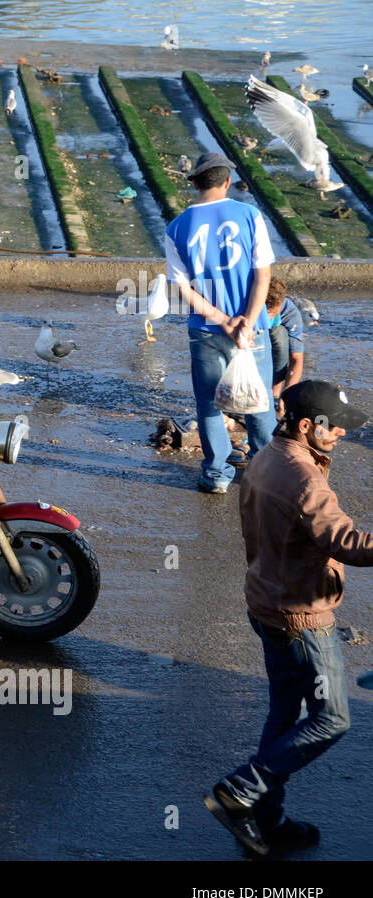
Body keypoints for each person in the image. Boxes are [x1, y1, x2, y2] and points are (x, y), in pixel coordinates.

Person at [205, 380, 372, 856]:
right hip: (302, 617)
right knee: (332, 718)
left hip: (266, 603)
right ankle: (239, 791)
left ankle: (268, 820)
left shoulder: (266, 456)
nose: (342, 433)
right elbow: (347, 543)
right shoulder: (304, 479)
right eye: (335, 426)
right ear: (307, 425)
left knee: (286, 713)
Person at [165, 152, 275, 495]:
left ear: (195, 184)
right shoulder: (249, 215)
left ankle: (216, 476)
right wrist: (247, 321)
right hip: (252, 329)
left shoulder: (177, 227)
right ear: (227, 182)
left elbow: (182, 290)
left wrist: (223, 320)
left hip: (205, 330)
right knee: (257, 400)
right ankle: (267, 474)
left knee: (210, 403)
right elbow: (263, 275)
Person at [264, 277, 304, 410]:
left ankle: (274, 393)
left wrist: (287, 394)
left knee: (280, 334)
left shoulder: (289, 312)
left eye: (273, 312)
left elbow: (296, 358)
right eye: (265, 312)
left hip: (273, 348)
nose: (269, 317)